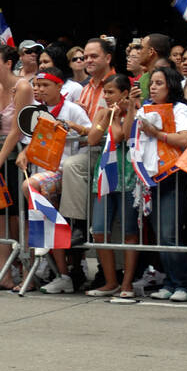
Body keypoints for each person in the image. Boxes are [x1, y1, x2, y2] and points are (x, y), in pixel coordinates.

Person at [126, 65, 187, 301]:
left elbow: (184, 139)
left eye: (159, 83)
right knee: (159, 234)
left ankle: (183, 284)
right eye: (152, 83)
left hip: (172, 176)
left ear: (171, 86)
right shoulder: (146, 107)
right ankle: (170, 281)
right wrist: (131, 107)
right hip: (150, 178)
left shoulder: (179, 108)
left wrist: (156, 133)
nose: (153, 88)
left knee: (169, 233)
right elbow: (128, 133)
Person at [18, 69, 90, 294]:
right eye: (37, 85)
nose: (39, 89)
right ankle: (61, 274)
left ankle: (56, 263)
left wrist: (73, 128)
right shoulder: (34, 111)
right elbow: (31, 141)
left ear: (60, 86)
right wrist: (24, 153)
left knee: (30, 187)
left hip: (63, 172)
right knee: (48, 219)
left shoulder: (73, 110)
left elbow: (90, 135)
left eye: (45, 85)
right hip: (41, 171)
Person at [0, 44, 35, 289]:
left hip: (16, 157)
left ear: (8, 63)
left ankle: (27, 273)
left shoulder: (22, 87)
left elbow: (17, 130)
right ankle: (5, 275)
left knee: (19, 217)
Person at [86, 74, 138, 299]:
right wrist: (107, 116)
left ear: (124, 93)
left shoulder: (135, 111)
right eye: (104, 92)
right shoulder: (103, 112)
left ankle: (127, 283)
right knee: (99, 230)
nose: (106, 96)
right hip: (105, 175)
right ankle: (110, 281)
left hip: (128, 176)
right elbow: (92, 138)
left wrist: (117, 117)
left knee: (129, 231)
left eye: (111, 92)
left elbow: (120, 136)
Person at [58, 37, 116, 240]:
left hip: (107, 151)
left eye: (94, 56)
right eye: (85, 57)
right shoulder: (86, 87)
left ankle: (78, 226)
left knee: (72, 165)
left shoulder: (116, 83)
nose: (88, 60)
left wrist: (80, 128)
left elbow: (102, 130)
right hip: (86, 148)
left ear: (108, 58)